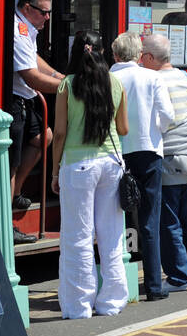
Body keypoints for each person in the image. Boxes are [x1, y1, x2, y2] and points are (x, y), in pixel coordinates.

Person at [50, 30, 129, 319]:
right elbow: (123, 130)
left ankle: (78, 306)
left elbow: (59, 133)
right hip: (111, 163)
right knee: (111, 234)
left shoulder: (67, 85)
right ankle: (111, 302)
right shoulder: (116, 82)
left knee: (77, 236)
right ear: (102, 53)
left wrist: (55, 172)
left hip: (78, 165)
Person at [109, 32, 175, 302]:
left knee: (112, 220)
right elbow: (168, 115)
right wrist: (153, 133)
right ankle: (154, 287)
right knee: (149, 221)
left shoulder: (109, 78)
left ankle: (117, 288)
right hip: (148, 152)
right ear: (138, 55)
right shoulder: (153, 78)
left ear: (114, 55)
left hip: (116, 153)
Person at [143, 33, 187, 292]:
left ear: (149, 57)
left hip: (169, 157)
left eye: (141, 55)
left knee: (169, 222)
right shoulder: (184, 76)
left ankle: (180, 278)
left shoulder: (154, 80)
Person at [10, 0, 63, 243]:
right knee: (10, 162)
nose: (48, 18)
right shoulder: (17, 32)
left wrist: (58, 76)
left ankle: (17, 191)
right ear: (28, 9)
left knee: (44, 137)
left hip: (26, 98)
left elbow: (35, 60)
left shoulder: (27, 28)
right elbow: (30, 76)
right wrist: (69, 87)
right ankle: (7, 221)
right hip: (13, 101)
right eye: (44, 12)